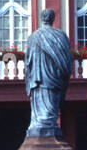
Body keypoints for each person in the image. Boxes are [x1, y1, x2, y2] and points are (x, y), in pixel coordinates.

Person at [24, 8, 73, 137]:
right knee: (51, 108)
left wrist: (30, 77)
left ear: (42, 19)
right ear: (53, 19)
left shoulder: (33, 36)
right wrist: (65, 73)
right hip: (54, 78)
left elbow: (28, 62)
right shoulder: (60, 35)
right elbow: (67, 59)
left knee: (40, 112)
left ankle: (41, 127)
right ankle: (48, 127)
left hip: (38, 78)